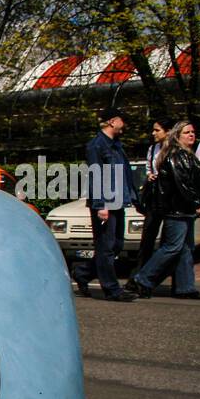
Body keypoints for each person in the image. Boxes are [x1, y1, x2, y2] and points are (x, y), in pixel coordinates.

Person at [126, 120, 200, 300]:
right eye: (187, 132)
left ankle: (185, 287)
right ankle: (142, 279)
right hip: (176, 209)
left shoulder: (186, 154)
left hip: (183, 209)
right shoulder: (176, 155)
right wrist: (197, 203)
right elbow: (183, 184)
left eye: (193, 132)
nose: (191, 135)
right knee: (172, 247)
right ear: (177, 136)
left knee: (186, 248)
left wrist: (195, 203)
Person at [72, 109, 138, 301]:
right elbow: (96, 175)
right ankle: (112, 289)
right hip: (105, 204)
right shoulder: (96, 145)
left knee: (117, 245)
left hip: (119, 202)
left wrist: (133, 198)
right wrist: (101, 205)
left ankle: (83, 273)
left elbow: (124, 175)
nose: (123, 125)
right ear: (112, 121)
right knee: (106, 247)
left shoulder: (117, 145)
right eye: (122, 120)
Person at [134, 117, 171, 272]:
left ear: (168, 131)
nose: (153, 133)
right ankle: (141, 271)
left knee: (169, 239)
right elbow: (149, 167)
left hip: (169, 197)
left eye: (157, 130)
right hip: (155, 197)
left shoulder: (174, 149)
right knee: (148, 236)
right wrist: (149, 175)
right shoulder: (153, 148)